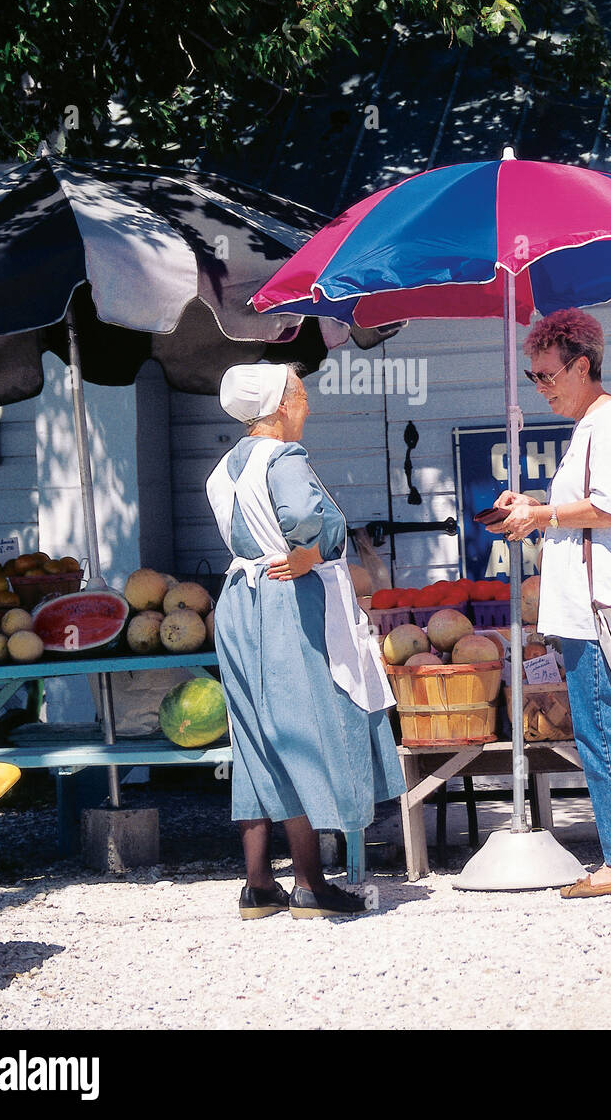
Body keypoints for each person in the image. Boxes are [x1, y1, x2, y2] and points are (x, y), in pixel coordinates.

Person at [205, 360, 405, 920]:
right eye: (300, 393)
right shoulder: (283, 457)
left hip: (238, 602)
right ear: (277, 404)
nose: (307, 404)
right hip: (286, 600)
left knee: (254, 737)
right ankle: (312, 884)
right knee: (301, 731)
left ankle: (258, 885)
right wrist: (310, 550)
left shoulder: (223, 469)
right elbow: (302, 518)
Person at [488, 308, 611, 898]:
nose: (539, 387)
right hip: (601, 601)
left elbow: (610, 507)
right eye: (533, 376)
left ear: (582, 366)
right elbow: (594, 507)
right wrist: (537, 504)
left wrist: (539, 513)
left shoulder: (608, 423)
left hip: (596, 605)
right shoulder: (601, 423)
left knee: (601, 727)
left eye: (546, 375)